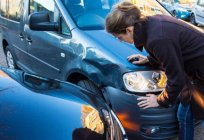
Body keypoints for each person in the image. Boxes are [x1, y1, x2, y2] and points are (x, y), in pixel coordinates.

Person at [105, 1, 204, 140]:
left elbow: (176, 79)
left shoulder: (157, 39)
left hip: (201, 73)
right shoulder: (151, 23)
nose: (120, 41)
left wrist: (160, 100)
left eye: (119, 37)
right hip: (197, 70)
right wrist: (150, 59)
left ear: (129, 30)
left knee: (184, 114)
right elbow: (173, 50)